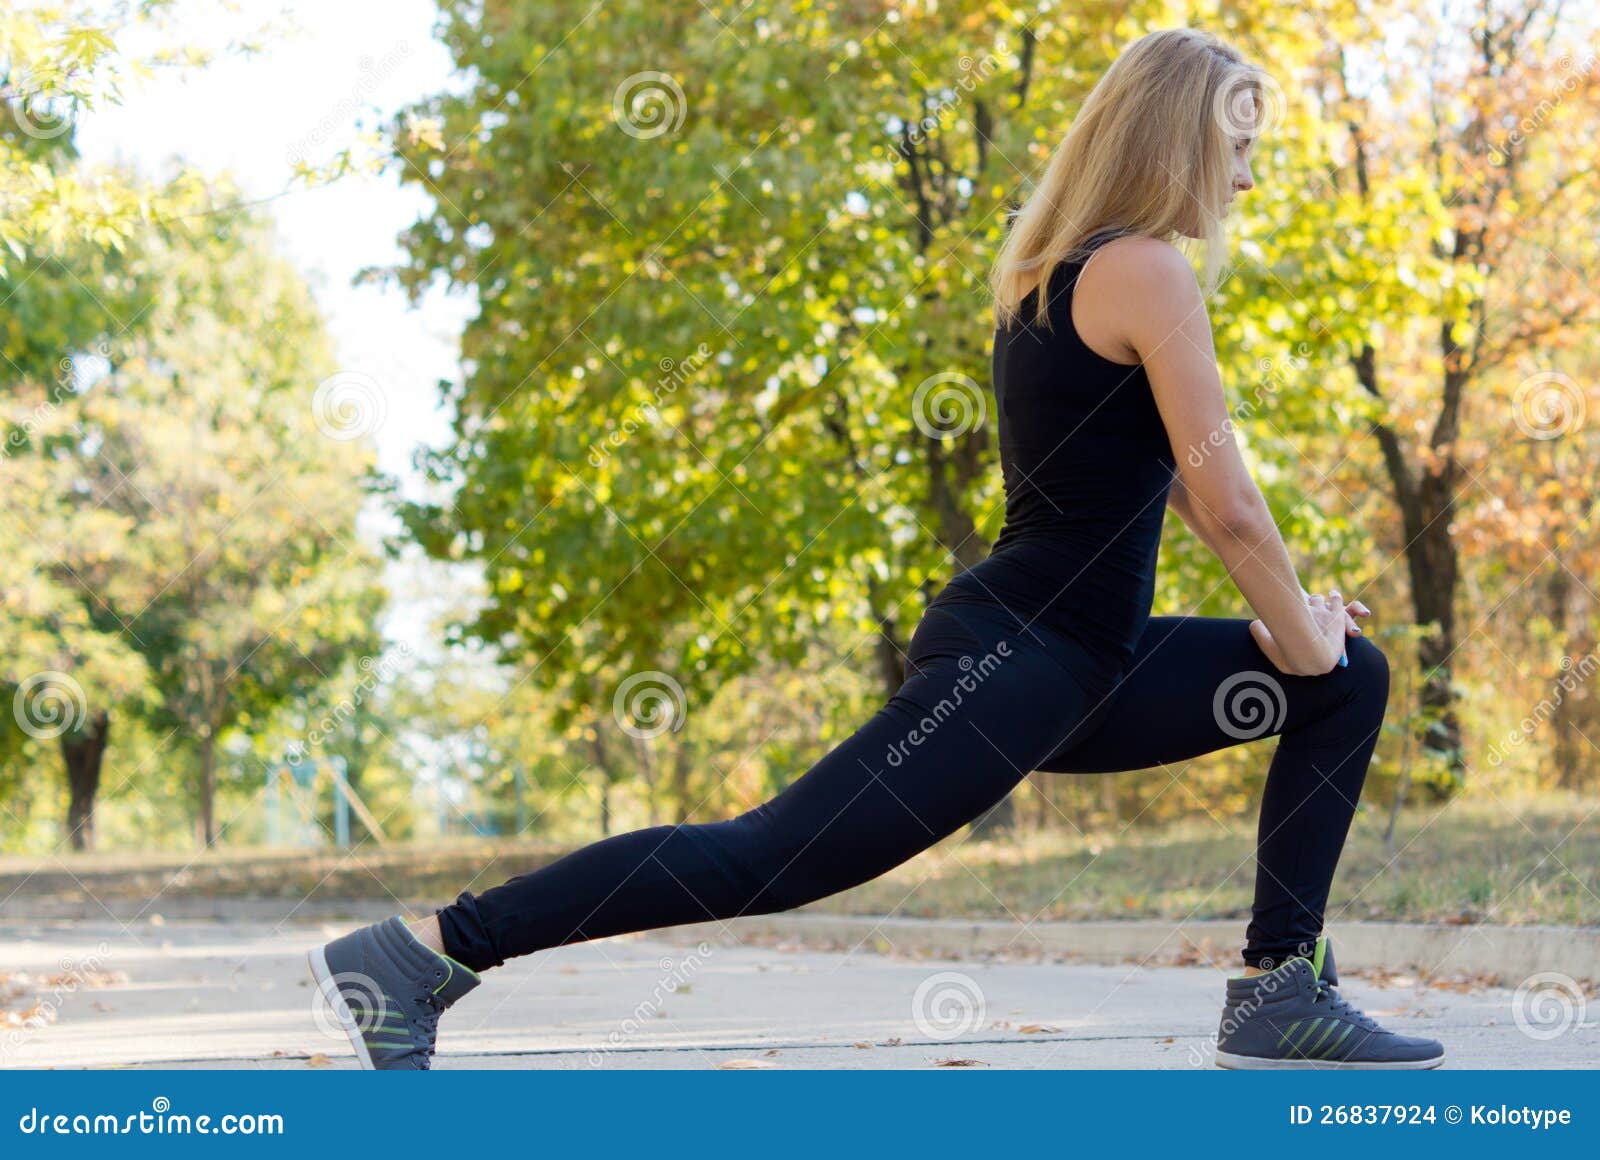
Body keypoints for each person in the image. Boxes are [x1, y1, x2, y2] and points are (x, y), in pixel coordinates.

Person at [307, 27, 1444, 1071]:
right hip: (1023, 663)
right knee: (764, 856)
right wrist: (1300, 639)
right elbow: (1232, 502)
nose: (1249, 174)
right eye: (1236, 145)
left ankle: (1277, 984)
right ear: (1178, 140)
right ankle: (425, 948)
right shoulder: (1144, 268)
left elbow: (1188, 495)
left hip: (1077, 658)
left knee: (1349, 678)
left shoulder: (1057, 269)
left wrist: (1295, 630)